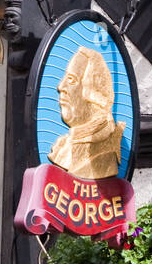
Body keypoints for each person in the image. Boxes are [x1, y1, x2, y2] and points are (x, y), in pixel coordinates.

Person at [48, 47, 126, 181]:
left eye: (71, 80)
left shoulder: (104, 156)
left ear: (93, 91)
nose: (61, 86)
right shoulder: (63, 146)